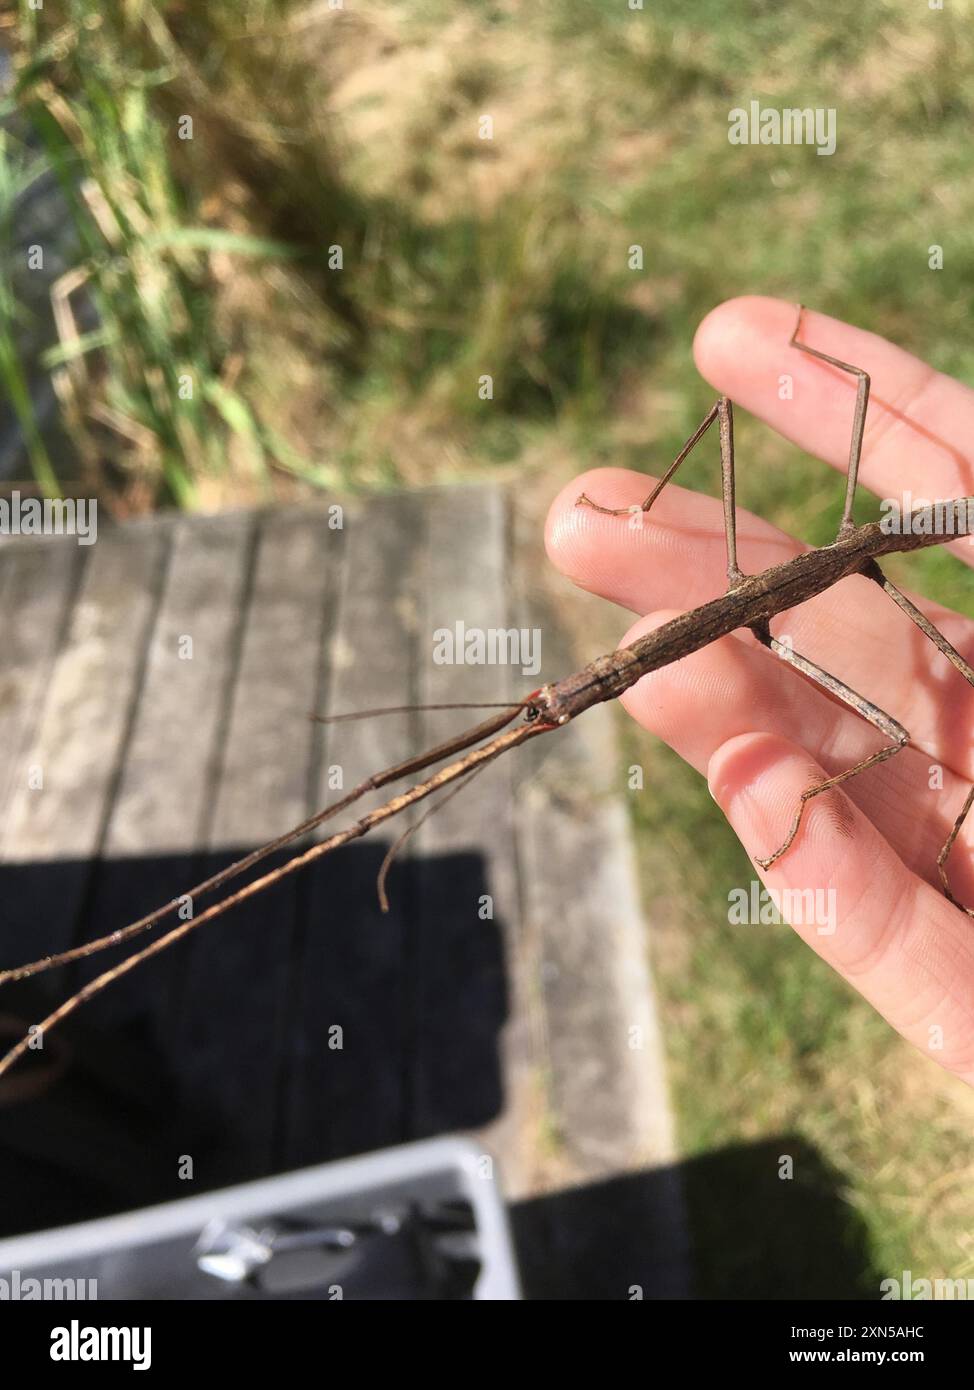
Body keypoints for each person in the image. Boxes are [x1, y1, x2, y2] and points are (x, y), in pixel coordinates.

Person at [544, 295, 974, 1087]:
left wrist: (943, 855)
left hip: (865, 550)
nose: (601, 682)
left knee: (911, 722)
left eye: (596, 685)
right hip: (825, 564)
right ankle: (633, 512)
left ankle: (946, 850)